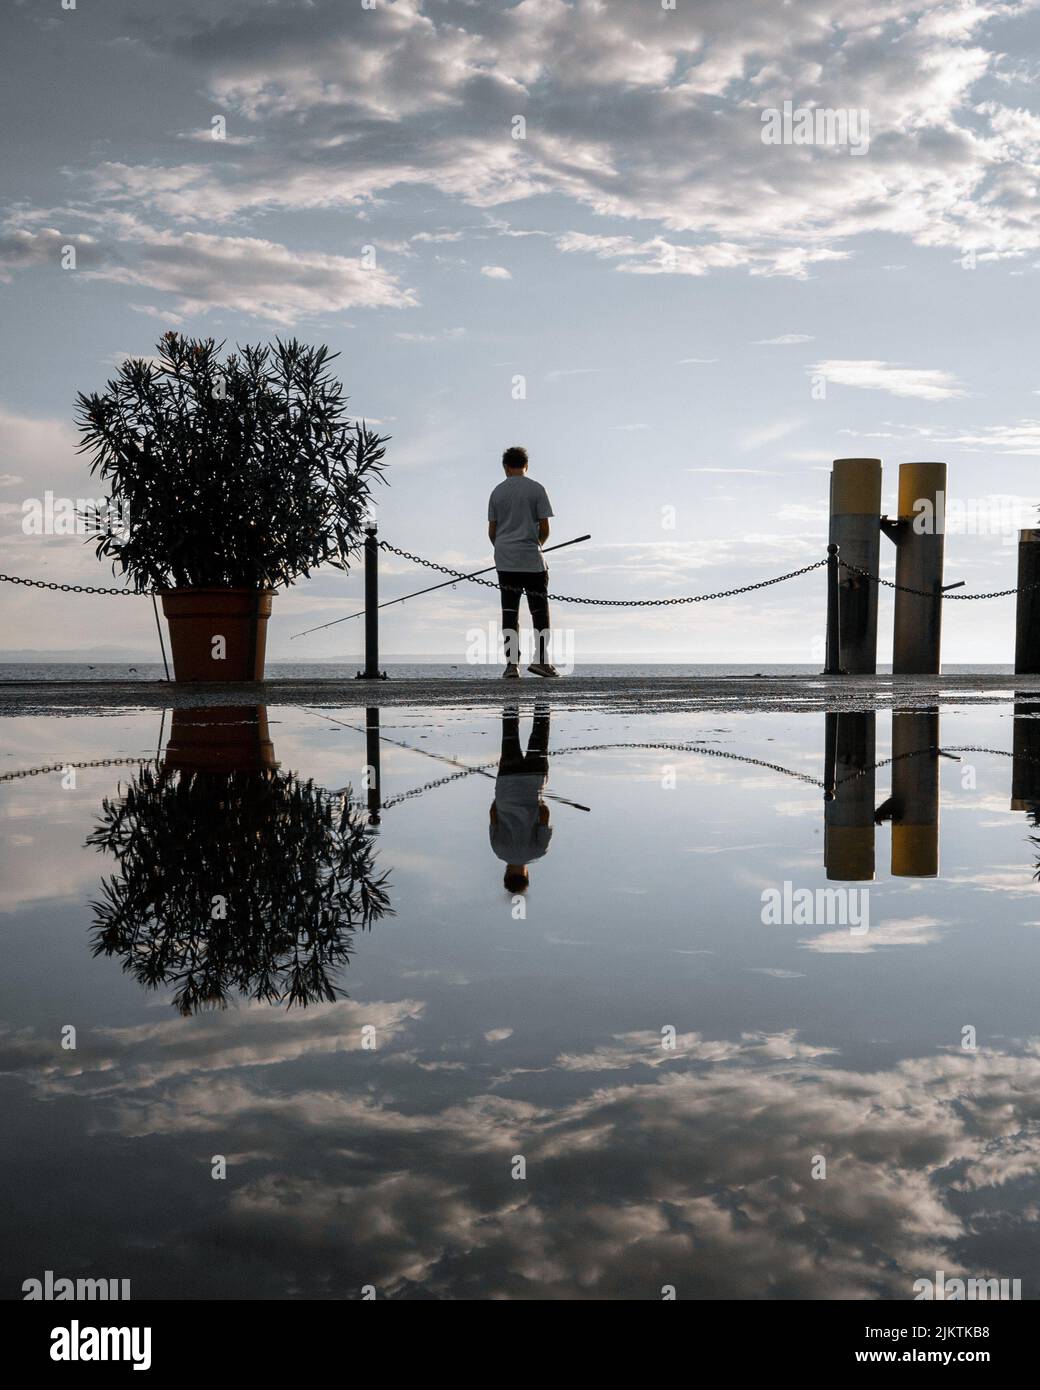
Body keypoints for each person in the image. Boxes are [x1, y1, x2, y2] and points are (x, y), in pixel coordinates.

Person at [487, 445, 559, 678]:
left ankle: (511, 665)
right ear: (526, 466)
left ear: (505, 467)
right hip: (532, 560)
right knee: (539, 612)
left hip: (505, 561)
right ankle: (541, 661)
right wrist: (536, 544)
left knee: (510, 613)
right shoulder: (537, 489)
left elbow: (493, 532)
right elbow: (545, 528)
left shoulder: (496, 492)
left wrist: (505, 548)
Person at [489, 704, 552, 893]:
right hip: (506, 783)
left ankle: (543, 697)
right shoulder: (499, 850)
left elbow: (544, 815)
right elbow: (493, 814)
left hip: (533, 781)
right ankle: (511, 696)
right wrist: (500, 796)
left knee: (539, 736)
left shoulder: (538, 851)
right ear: (506, 875)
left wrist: (539, 801)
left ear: (526, 875)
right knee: (509, 734)